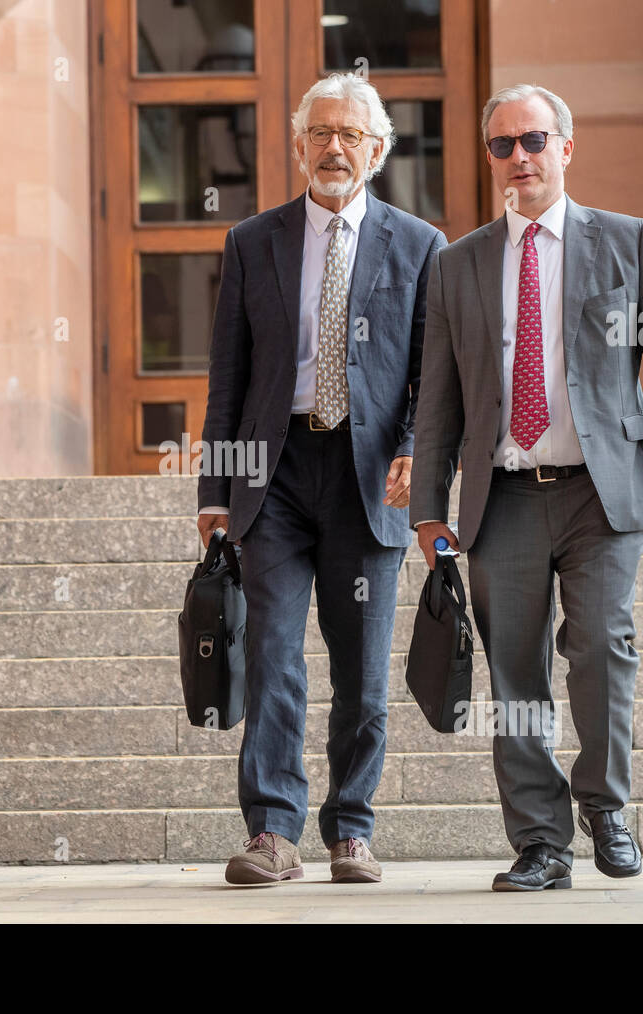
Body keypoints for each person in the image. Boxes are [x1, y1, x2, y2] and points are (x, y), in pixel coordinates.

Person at [410, 84, 643, 891]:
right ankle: (541, 844)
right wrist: (427, 509)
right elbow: (439, 396)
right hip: (504, 497)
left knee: (601, 649)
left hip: (602, 491)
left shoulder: (627, 240)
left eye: (535, 141)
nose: (520, 157)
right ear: (491, 159)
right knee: (514, 670)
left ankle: (606, 808)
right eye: (503, 145)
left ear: (566, 148)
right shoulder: (457, 265)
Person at [198, 72, 446, 885]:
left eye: (351, 135)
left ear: (376, 150)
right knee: (271, 653)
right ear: (297, 144)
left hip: (370, 475)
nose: (333, 147)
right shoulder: (252, 240)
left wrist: (417, 449)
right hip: (274, 476)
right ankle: (272, 832)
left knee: (363, 666)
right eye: (320, 133)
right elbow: (228, 377)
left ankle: (351, 828)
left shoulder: (419, 245)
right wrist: (213, 492)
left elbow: (429, 373)